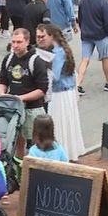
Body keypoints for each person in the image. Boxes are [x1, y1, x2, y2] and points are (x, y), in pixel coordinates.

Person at [36, 23, 84, 162]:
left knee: (58, 123)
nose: (39, 40)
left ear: (51, 36)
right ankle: (69, 152)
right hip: (66, 91)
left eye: (42, 36)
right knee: (67, 123)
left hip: (59, 93)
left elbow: (54, 76)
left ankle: (61, 153)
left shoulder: (57, 53)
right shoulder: (62, 49)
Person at [75, 0, 108, 95]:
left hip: (86, 34)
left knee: (85, 59)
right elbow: (107, 21)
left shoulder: (83, 0)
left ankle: (78, 84)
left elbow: (80, 18)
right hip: (100, 35)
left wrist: (83, 29)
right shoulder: (102, 1)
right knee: (105, 58)